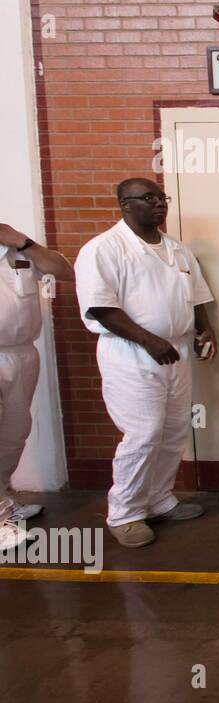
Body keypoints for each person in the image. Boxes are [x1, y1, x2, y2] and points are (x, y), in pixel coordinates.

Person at [74, 179, 215, 548]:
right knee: (143, 434)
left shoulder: (177, 249)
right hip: (131, 352)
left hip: (176, 350)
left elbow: (197, 297)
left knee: (173, 431)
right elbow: (101, 307)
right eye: (148, 199)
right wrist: (148, 341)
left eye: (161, 198)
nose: (158, 205)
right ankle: (125, 513)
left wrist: (205, 331)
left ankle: (160, 500)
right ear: (124, 204)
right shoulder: (104, 249)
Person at [0, 223, 73, 550]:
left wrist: (24, 243)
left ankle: (4, 499)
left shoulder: (18, 248)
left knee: (15, 433)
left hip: (22, 352)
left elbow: (63, 271)